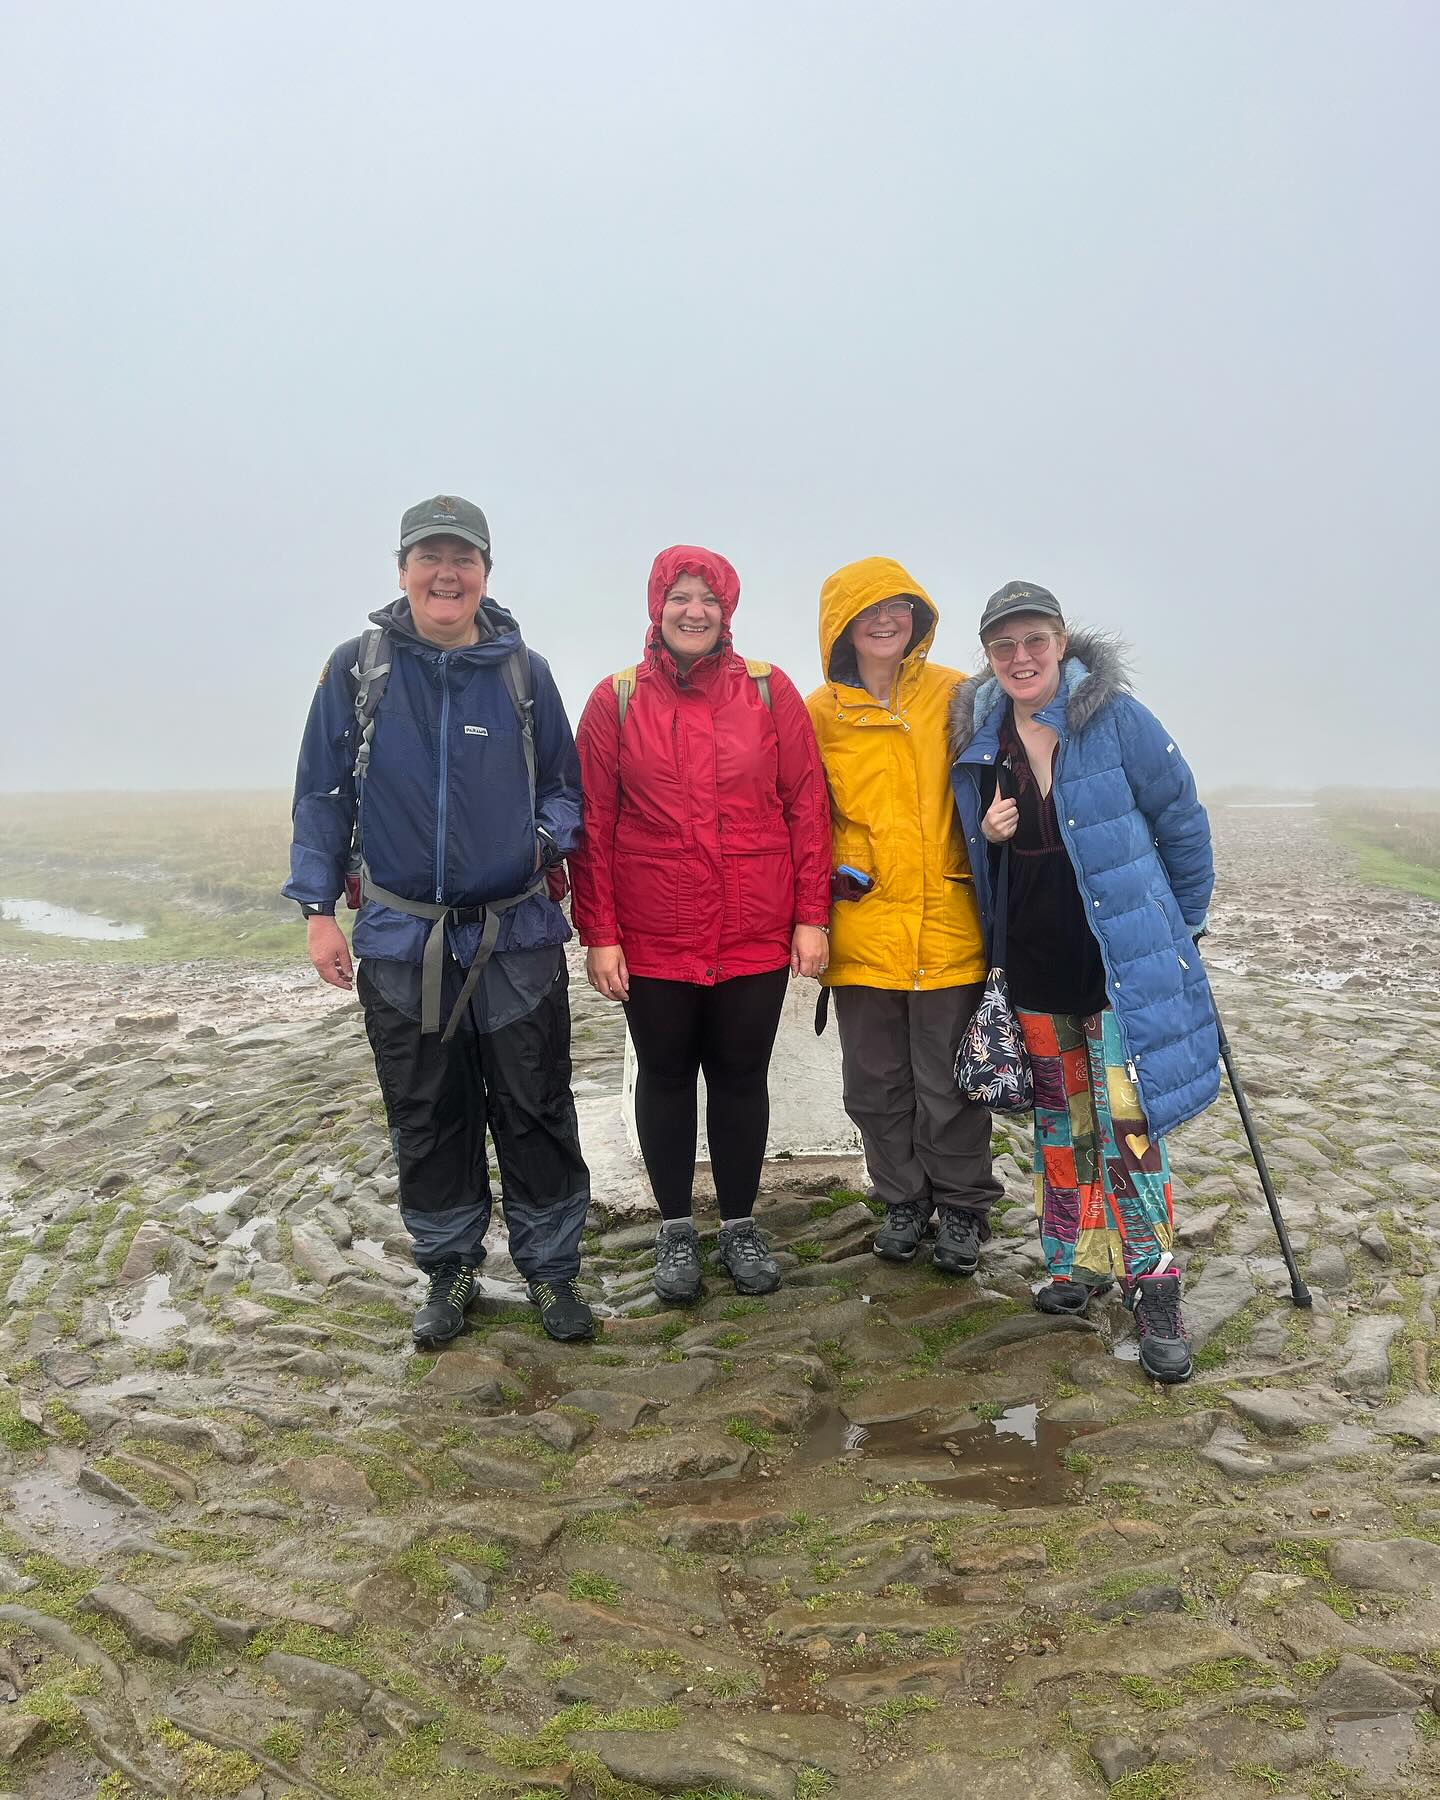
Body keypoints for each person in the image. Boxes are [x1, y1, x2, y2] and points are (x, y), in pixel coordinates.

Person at [283, 494, 596, 1346]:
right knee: (426, 1110)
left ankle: (551, 1270)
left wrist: (537, 844)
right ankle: (450, 1267)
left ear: (486, 572)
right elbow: (321, 796)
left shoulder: (524, 673)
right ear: (403, 572)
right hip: (398, 938)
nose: (446, 573)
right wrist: (318, 911)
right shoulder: (357, 670)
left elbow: (566, 789)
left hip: (515, 938)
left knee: (534, 1104)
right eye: (430, 558)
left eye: (463, 559)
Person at [949, 581, 1218, 1384]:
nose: (1021, 658)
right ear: (990, 657)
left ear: (1061, 641)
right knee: (1061, 1132)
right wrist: (987, 834)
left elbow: (1183, 823)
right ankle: (1078, 1260)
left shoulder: (1117, 720)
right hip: (1033, 973)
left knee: (1130, 1132)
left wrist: (1184, 933)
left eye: (1034, 641)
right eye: (1005, 647)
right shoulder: (983, 738)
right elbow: (976, 857)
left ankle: (1156, 1285)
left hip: (1117, 976)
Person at [569, 545, 831, 1304]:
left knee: (743, 1077)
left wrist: (811, 916)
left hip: (754, 927)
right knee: (667, 1076)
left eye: (708, 599)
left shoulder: (768, 691)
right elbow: (592, 821)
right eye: (681, 597)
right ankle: (677, 1230)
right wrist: (601, 933)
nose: (694, 612)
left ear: (728, 610)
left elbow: (806, 808)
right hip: (654, 933)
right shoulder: (614, 700)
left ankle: (741, 1224)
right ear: (657, 605)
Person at [806, 558, 1002, 1276]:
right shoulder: (816, 712)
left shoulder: (960, 694)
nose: (887, 621)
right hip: (861, 928)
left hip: (950, 925)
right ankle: (901, 1200)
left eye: (899, 607)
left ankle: (962, 1208)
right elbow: (802, 813)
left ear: (918, 617)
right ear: (842, 627)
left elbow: (1004, 771)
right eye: (869, 611)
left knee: (947, 1083)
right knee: (874, 1083)